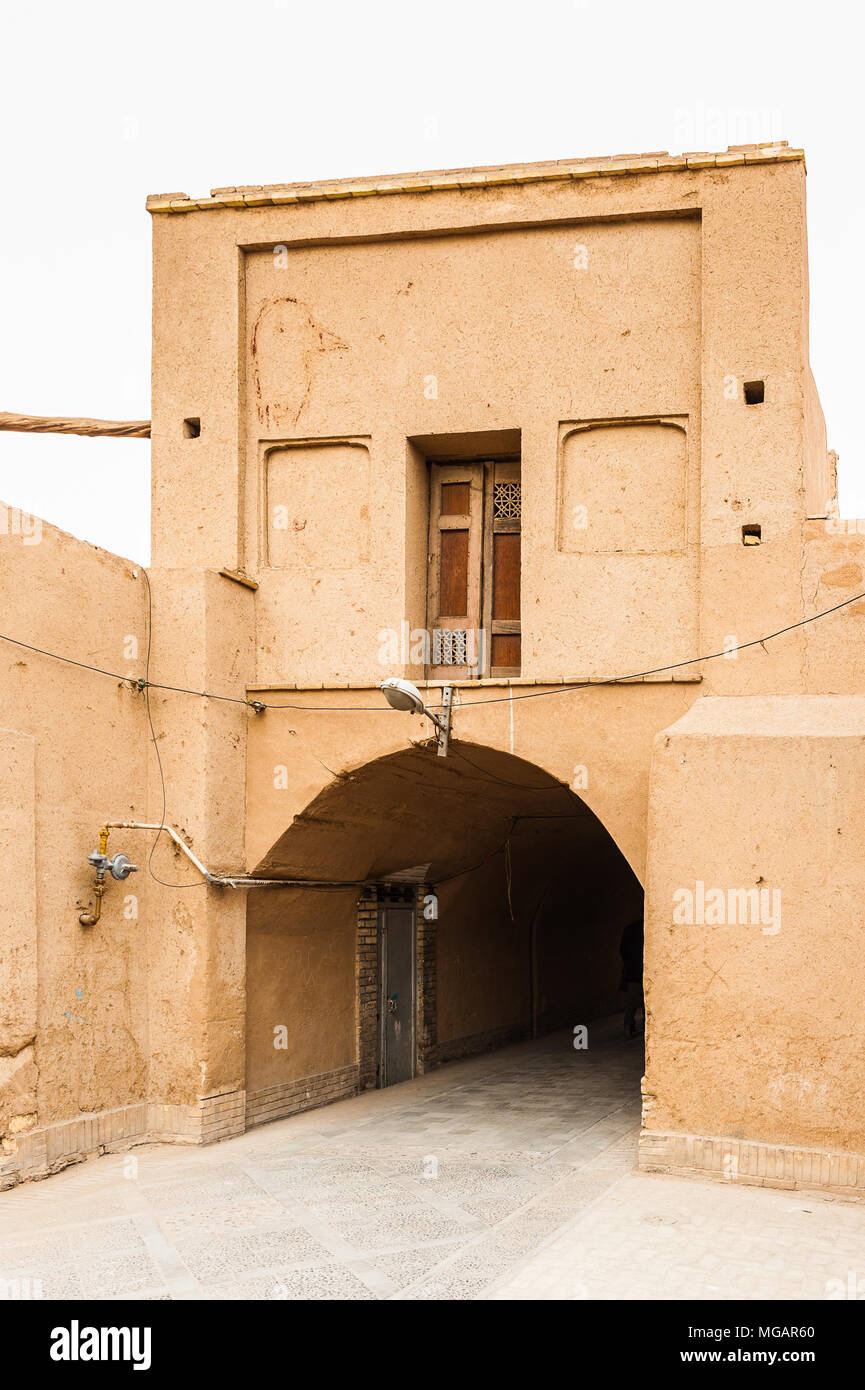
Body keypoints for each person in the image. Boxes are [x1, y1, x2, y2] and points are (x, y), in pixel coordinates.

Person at [619, 916, 644, 1040]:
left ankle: (628, 1026)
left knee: (631, 1001)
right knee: (646, 1000)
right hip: (643, 969)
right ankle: (646, 1025)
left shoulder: (630, 928)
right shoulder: (647, 928)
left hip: (632, 970)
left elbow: (622, 950)